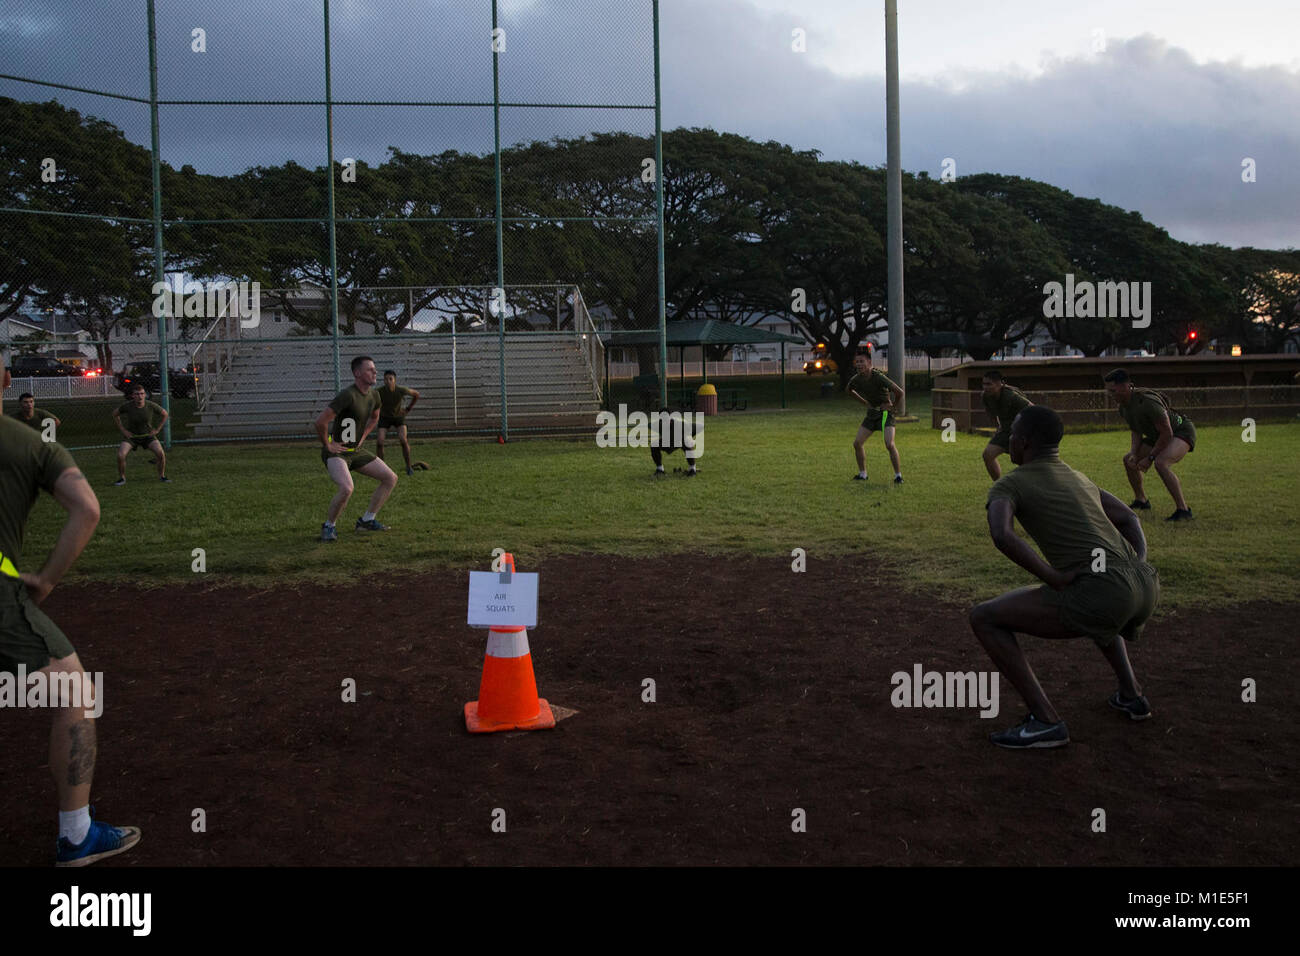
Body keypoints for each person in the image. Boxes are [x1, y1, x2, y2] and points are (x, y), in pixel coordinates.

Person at [0, 358, 141, 865]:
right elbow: (88, 509)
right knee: (75, 690)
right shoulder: (29, 445)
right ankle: (76, 836)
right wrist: (45, 580)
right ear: (9, 383)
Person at [969, 405, 1159, 749]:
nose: (1008, 440)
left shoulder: (1010, 484)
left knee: (984, 618)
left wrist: (1053, 577)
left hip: (1105, 592)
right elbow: (1131, 518)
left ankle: (1045, 721)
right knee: (1099, 608)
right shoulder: (1078, 476)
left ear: (1023, 443)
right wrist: (1137, 565)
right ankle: (1131, 695)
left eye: (1012, 435)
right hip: (1145, 587)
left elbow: (1002, 534)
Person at [315, 356, 398, 541]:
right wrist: (328, 444)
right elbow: (321, 421)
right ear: (357, 373)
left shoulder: (374, 395)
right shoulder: (348, 395)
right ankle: (329, 526)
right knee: (347, 487)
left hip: (356, 451)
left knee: (390, 478)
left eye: (374, 369)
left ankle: (367, 521)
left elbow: (375, 418)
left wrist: (362, 436)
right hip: (338, 453)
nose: (375, 372)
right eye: (370, 370)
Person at [1102, 369, 1196, 521]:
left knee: (1161, 463)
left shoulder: (1147, 402)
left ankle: (1183, 510)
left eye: (1113, 391)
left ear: (1126, 386)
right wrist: (1134, 452)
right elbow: (1136, 431)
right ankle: (1141, 500)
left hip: (1180, 430)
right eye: (1108, 391)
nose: (1110, 395)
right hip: (1157, 435)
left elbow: (1167, 432)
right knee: (1128, 460)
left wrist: (1150, 457)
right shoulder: (1123, 407)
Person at [846, 348, 904, 483]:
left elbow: (899, 392)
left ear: (869, 362)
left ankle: (898, 476)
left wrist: (892, 406)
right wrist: (865, 402)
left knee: (889, 444)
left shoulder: (878, 376)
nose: (859, 364)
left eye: (862, 361)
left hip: (885, 415)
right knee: (857, 443)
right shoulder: (857, 378)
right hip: (872, 415)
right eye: (857, 362)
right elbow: (848, 390)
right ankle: (863, 474)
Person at [979, 371, 1032, 480]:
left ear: (1000, 384)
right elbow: (992, 414)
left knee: (1023, 462)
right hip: (1006, 430)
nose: (985, 387)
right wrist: (998, 428)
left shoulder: (1012, 396)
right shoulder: (986, 396)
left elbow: (1033, 409)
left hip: (1022, 431)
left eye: (989, 384)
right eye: (984, 384)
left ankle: (1031, 486)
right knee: (988, 455)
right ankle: (998, 484)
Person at [112, 384, 169, 484]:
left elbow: (165, 414)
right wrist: (123, 430)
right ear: (133, 395)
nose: (140, 396)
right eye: (137, 394)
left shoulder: (150, 405)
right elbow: (115, 414)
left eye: (142, 394)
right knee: (121, 455)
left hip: (148, 436)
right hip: (132, 437)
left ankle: (162, 476)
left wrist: (157, 430)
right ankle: (122, 478)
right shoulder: (128, 406)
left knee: (160, 454)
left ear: (145, 395)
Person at [375, 370, 420, 476]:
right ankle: (382, 469)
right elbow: (369, 399)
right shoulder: (379, 391)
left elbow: (416, 394)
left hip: (398, 417)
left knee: (403, 440)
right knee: (380, 442)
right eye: (386, 379)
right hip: (384, 418)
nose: (388, 381)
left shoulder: (401, 390)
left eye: (390, 379)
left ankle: (408, 467)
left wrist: (408, 409)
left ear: (395, 380)